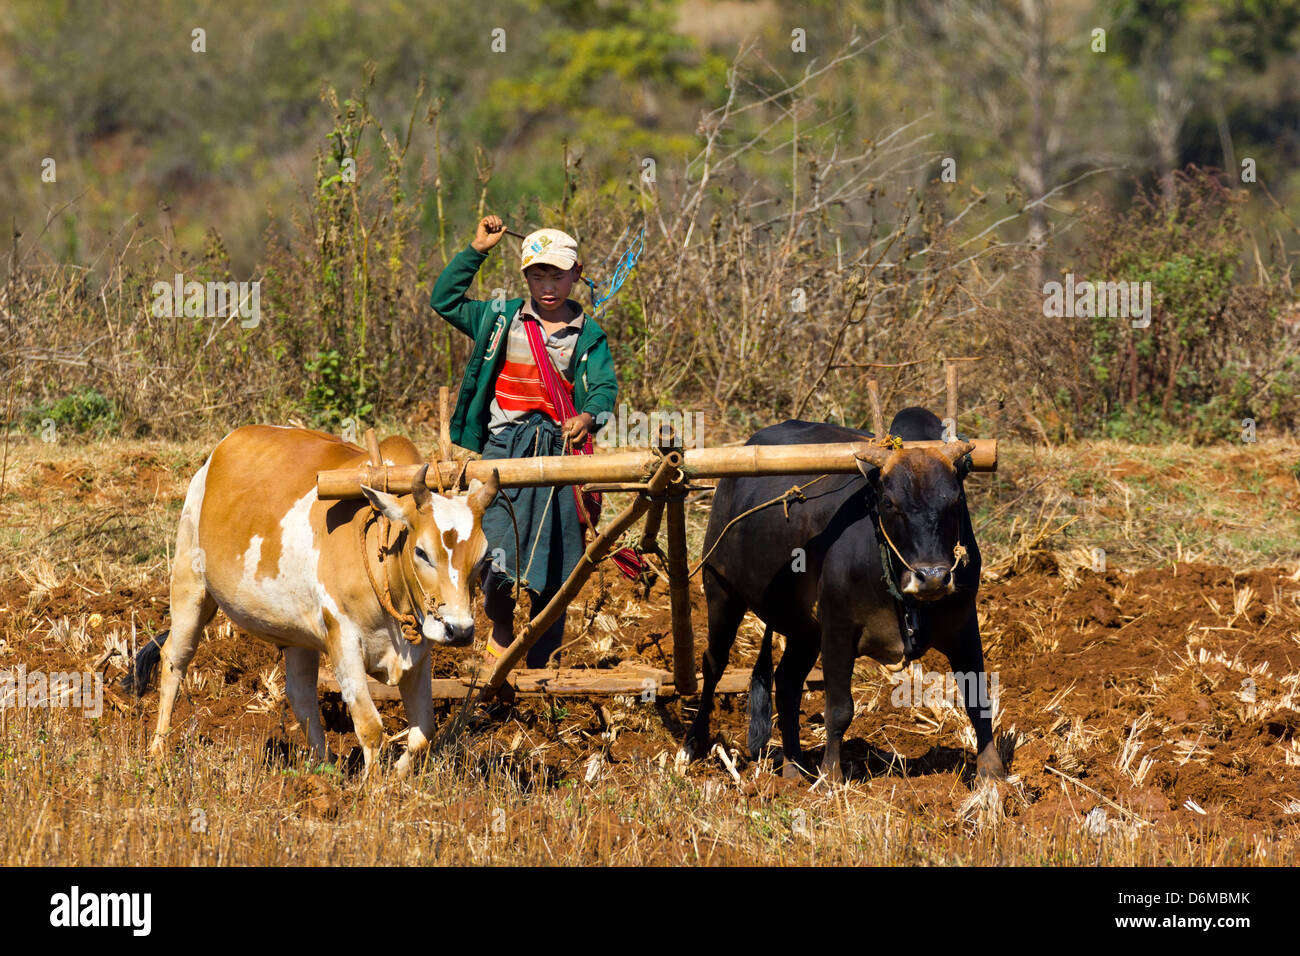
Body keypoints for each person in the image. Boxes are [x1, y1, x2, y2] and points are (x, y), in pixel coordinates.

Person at [430, 215, 619, 670]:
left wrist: (588, 416)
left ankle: (543, 656)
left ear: (576, 274)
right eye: (538, 274)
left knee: (558, 558)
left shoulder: (588, 334)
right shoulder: (498, 317)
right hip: (502, 450)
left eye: (558, 274)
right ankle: (501, 628)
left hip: (558, 453)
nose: (548, 285)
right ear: (525, 276)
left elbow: (605, 393)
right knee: (492, 548)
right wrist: (478, 248)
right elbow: (444, 300)